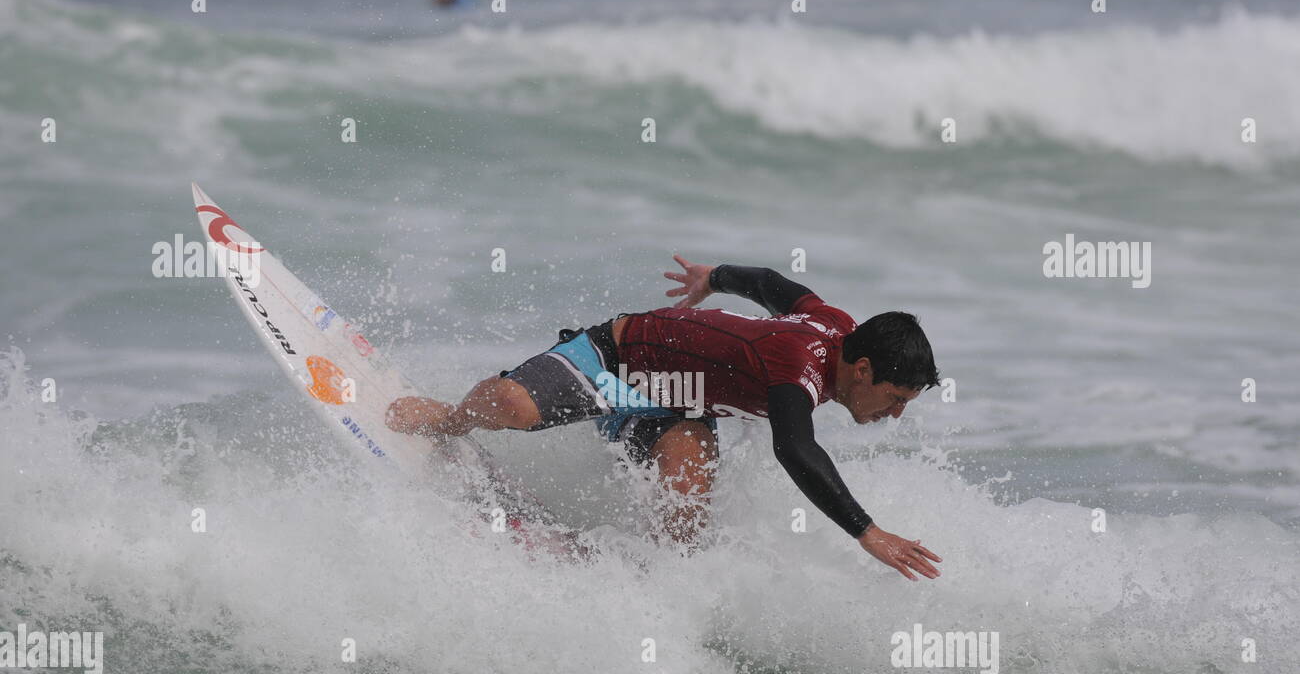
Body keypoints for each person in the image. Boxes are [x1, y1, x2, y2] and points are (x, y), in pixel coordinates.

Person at [386, 256, 943, 580]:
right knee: (511, 407)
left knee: (685, 522)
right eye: (895, 398)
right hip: (619, 361)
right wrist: (866, 532)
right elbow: (795, 448)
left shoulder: (834, 324)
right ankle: (448, 419)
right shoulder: (799, 363)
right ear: (863, 369)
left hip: (680, 402)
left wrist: (714, 277)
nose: (893, 414)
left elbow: (776, 285)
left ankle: (633, 597)